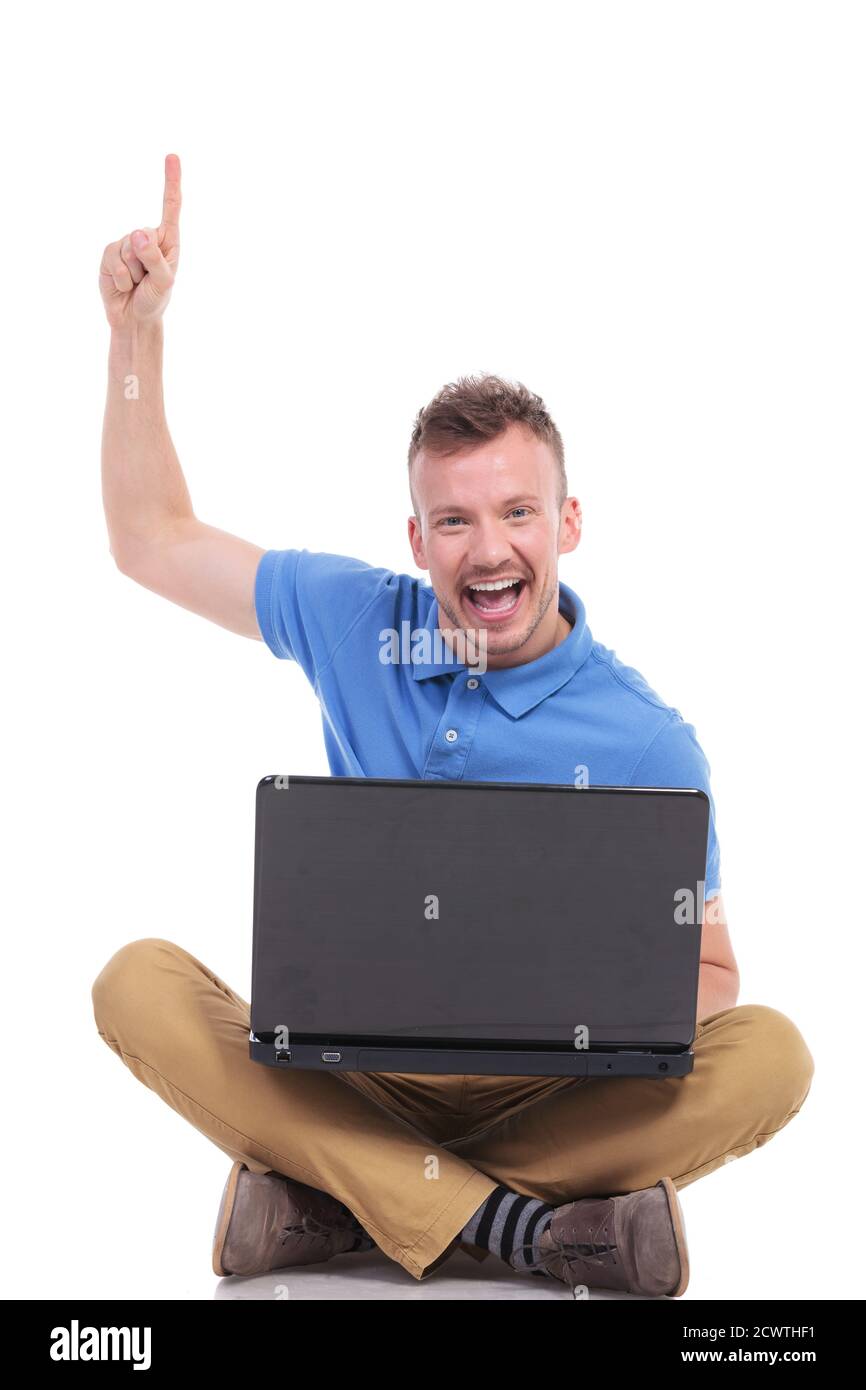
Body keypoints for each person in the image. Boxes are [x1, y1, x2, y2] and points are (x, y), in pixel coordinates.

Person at [92, 154, 814, 1297]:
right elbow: (151, 540)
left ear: (566, 521)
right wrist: (136, 339)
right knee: (134, 982)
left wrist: (584, 1003)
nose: (488, 551)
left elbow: (715, 972)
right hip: (354, 1071)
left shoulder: (647, 741)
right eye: (453, 520)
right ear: (415, 534)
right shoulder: (349, 617)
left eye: (517, 511)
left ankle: (337, 1202)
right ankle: (523, 1230)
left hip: (551, 1091)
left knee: (771, 1056)